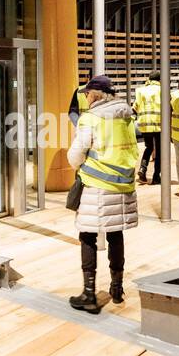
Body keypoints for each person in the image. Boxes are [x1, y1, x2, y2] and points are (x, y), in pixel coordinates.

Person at [67, 75, 139, 314]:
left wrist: (77, 165)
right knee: (115, 234)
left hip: (97, 183)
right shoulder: (126, 116)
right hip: (123, 182)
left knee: (87, 234)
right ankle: (117, 289)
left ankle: (89, 294)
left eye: (87, 93)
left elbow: (77, 153)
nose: (86, 97)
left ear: (95, 95)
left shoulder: (91, 118)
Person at [132, 70, 162, 185]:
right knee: (159, 151)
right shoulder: (162, 90)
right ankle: (156, 177)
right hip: (159, 124)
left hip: (144, 124)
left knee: (148, 147)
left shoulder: (140, 90)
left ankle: (142, 169)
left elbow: (135, 107)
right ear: (160, 80)